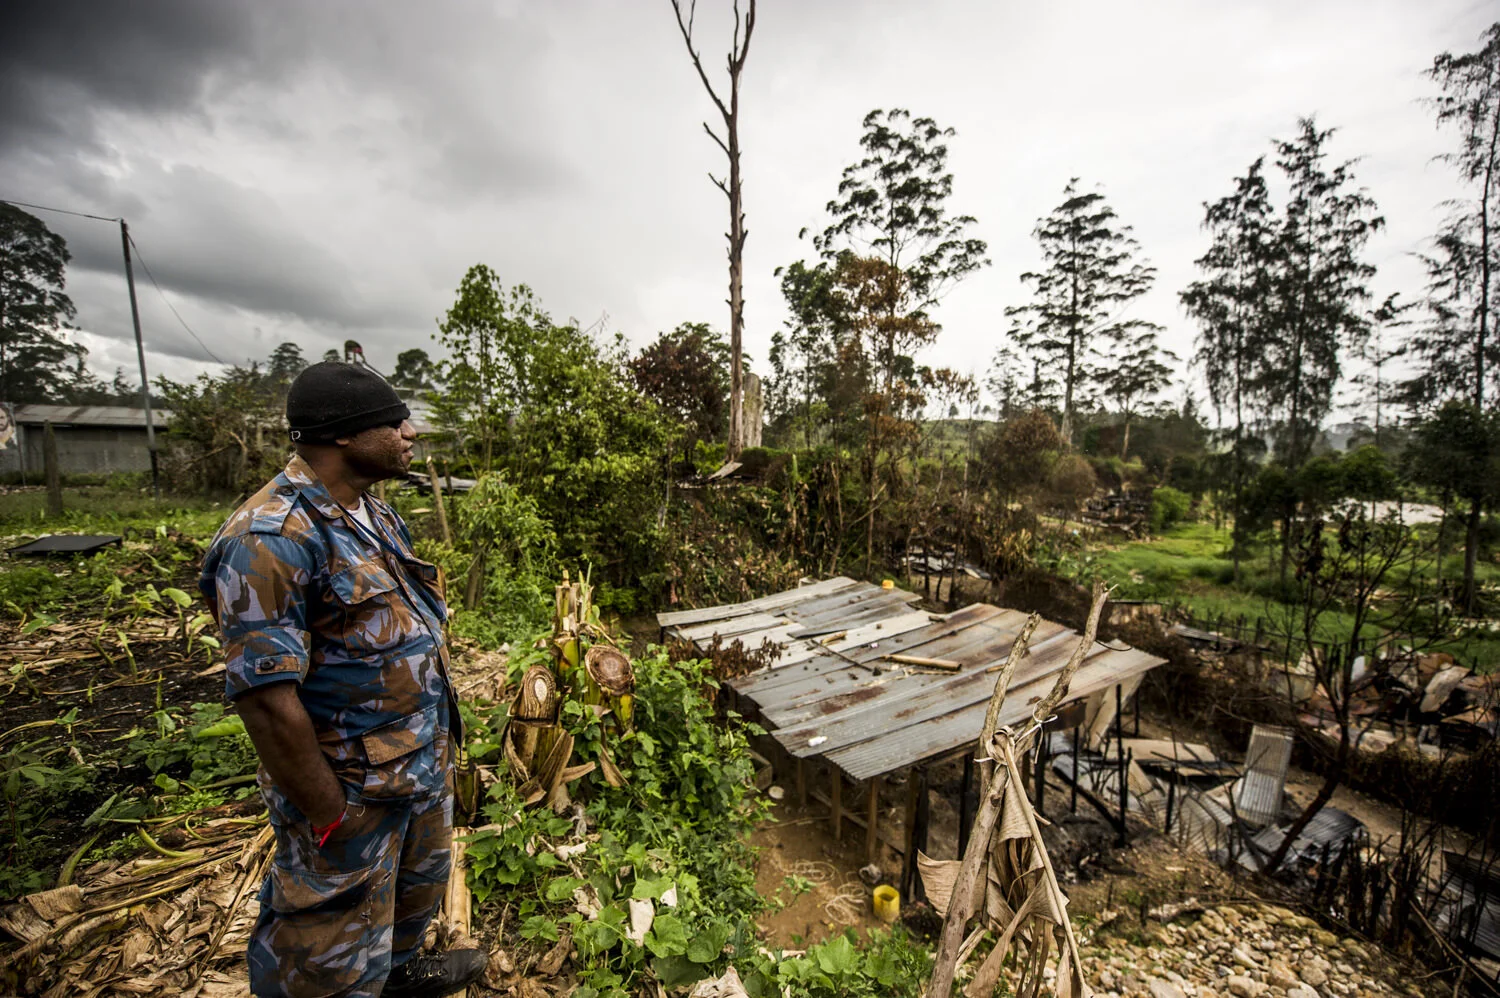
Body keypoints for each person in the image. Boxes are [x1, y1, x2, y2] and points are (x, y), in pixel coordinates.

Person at [199, 362, 486, 997]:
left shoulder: (373, 515)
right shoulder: (269, 538)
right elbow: (267, 703)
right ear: (343, 437)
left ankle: (397, 972)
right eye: (395, 421)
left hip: (414, 767)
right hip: (350, 790)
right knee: (327, 944)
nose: (411, 432)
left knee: (414, 893)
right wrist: (328, 811)